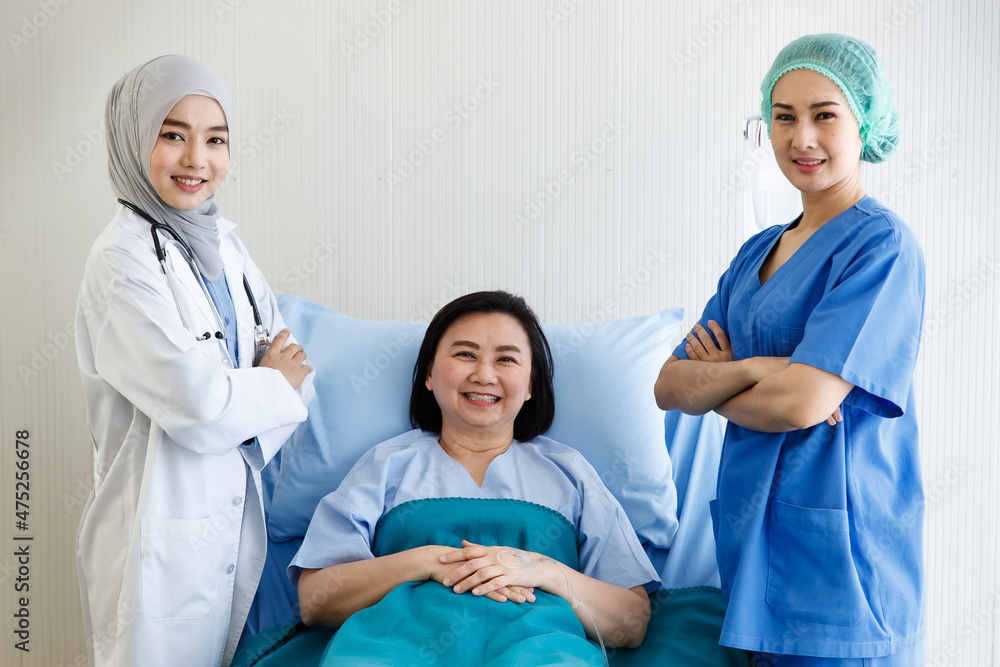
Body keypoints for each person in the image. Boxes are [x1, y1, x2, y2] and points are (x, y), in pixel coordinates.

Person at [654, 34, 924, 666]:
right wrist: (757, 371)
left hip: (841, 569)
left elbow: (803, 403)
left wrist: (722, 383)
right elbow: (669, 386)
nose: (801, 138)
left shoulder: (880, 248)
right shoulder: (756, 254)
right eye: (783, 117)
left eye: (823, 115)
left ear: (865, 122)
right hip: (753, 556)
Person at [75, 55, 315, 667]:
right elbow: (197, 405)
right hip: (154, 539)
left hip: (227, 524)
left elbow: (299, 379)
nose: (195, 160)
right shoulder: (120, 262)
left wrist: (257, 390)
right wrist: (262, 386)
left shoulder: (225, 245)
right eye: (172, 134)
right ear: (135, 140)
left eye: (216, 139)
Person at [291, 290, 658, 664]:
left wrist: (541, 570)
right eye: (465, 354)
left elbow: (632, 622)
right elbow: (316, 601)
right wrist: (428, 561)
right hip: (393, 648)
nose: (484, 374)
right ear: (430, 375)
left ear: (530, 385)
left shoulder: (569, 471)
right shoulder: (386, 465)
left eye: (506, 359)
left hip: (541, 650)